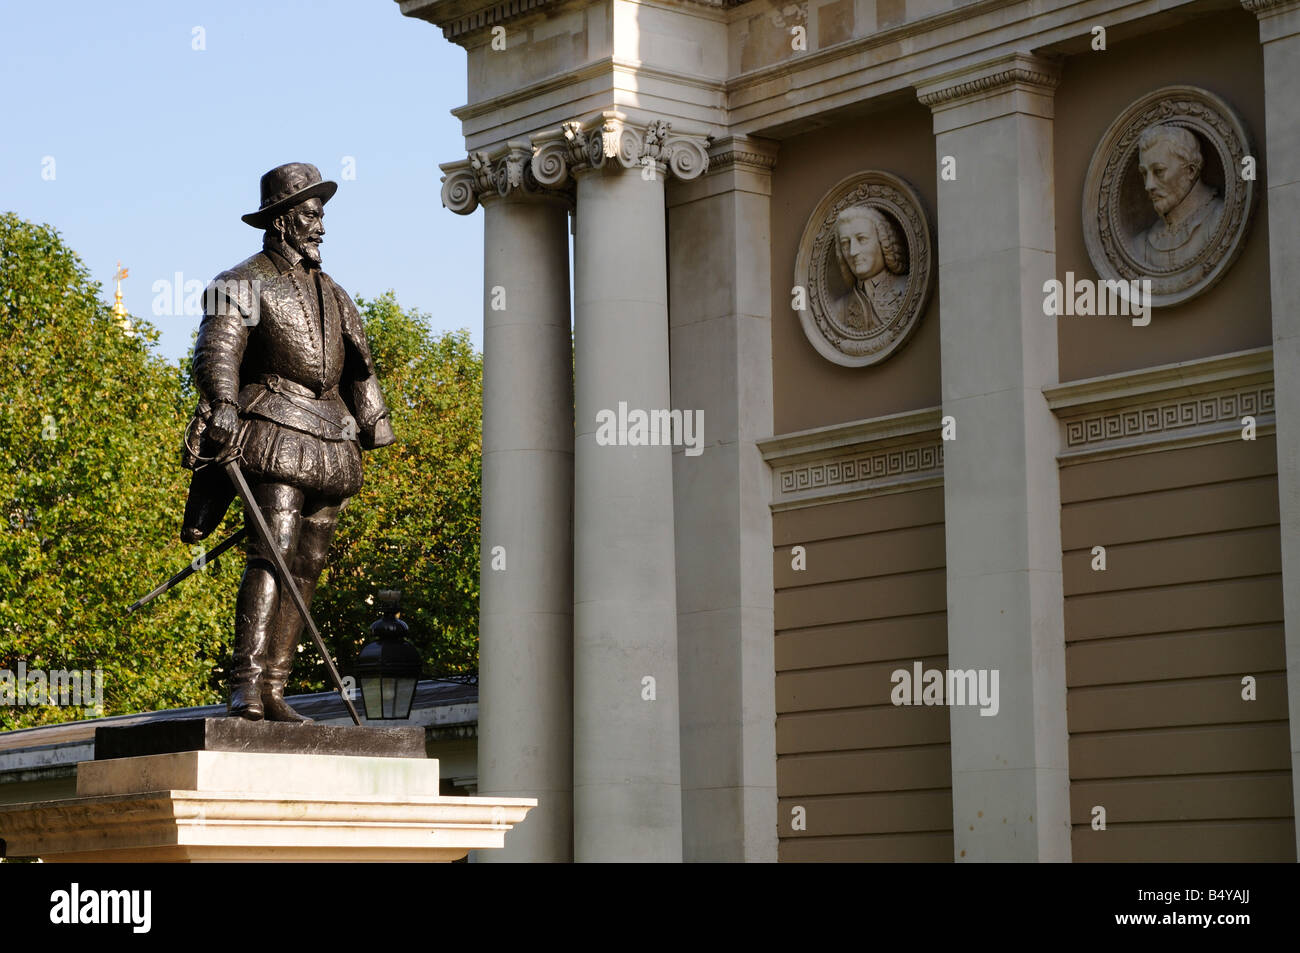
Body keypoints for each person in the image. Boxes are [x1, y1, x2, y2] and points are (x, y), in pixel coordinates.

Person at [184, 162, 396, 722]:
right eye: (310, 214)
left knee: (308, 562)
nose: (320, 226)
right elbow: (218, 350)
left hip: (331, 433)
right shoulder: (241, 281)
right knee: (272, 550)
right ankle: (246, 685)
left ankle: (276, 689)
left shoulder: (335, 293)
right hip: (273, 424)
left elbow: (360, 364)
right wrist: (225, 404)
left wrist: (376, 422)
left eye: (322, 215)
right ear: (280, 222)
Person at [1131, 124, 1224, 272]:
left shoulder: (1219, 219)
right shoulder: (1141, 245)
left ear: (1191, 171)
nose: (1148, 185)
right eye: (1144, 173)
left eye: (1159, 171)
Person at [829, 204, 909, 332]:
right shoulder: (838, 310)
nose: (853, 251)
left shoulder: (906, 288)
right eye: (845, 243)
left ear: (883, 241)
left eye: (862, 239)